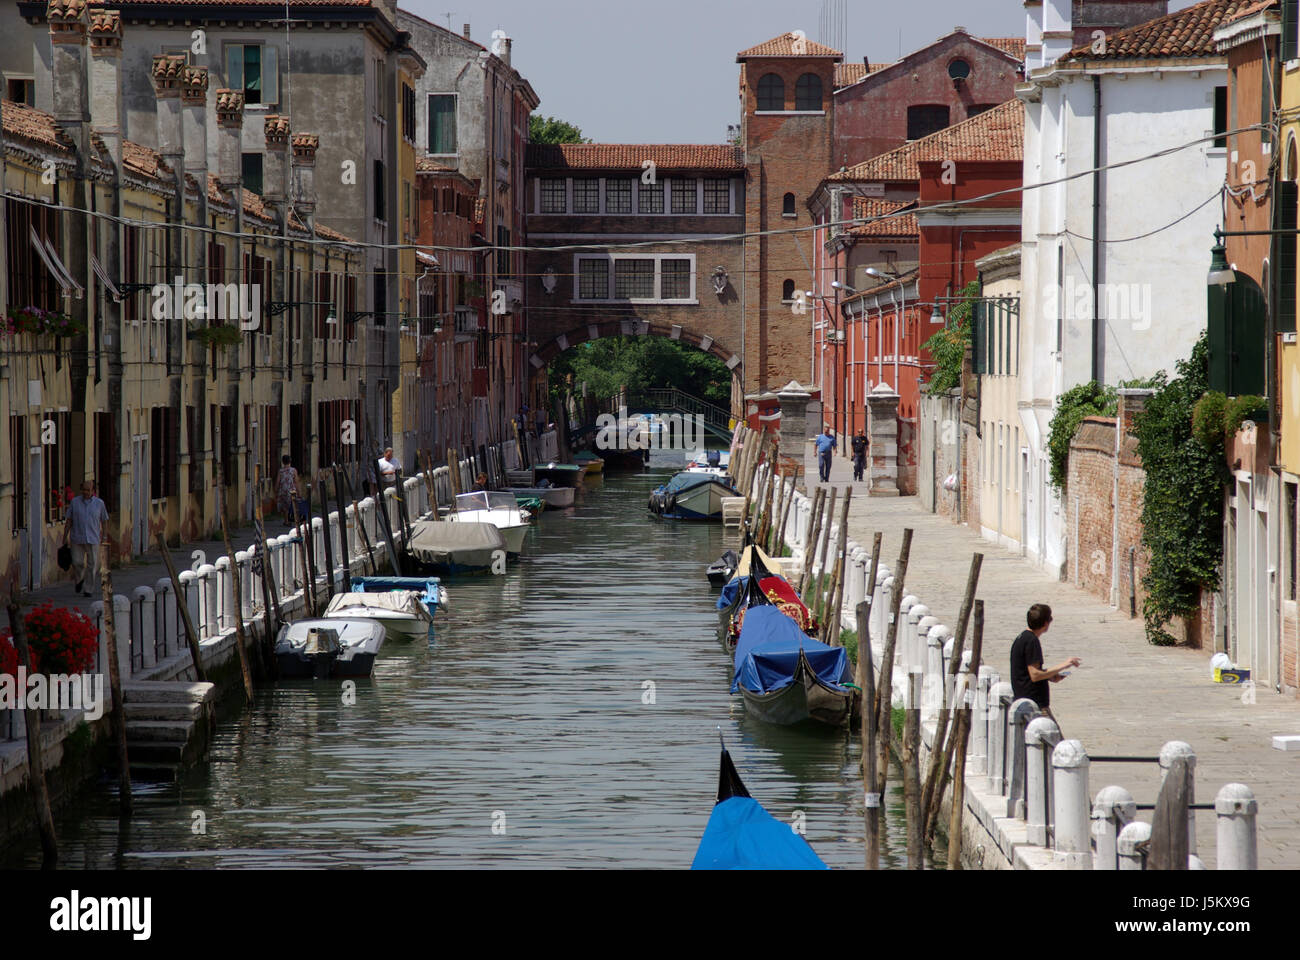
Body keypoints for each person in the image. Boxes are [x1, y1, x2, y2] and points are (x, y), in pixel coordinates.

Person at [1010, 603, 1081, 730]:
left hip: (1023, 700)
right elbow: (1035, 675)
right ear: (1045, 623)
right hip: (1034, 705)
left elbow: (1027, 672)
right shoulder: (1032, 641)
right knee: (1053, 738)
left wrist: (1050, 676)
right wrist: (1064, 665)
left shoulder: (1021, 638)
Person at [63, 480, 109, 597]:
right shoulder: (75, 502)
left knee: (92, 565)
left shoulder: (99, 503)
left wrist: (104, 536)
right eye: (84, 489)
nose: (86, 492)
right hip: (77, 537)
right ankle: (80, 579)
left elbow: (104, 520)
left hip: (93, 538)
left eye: (88, 490)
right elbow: (69, 520)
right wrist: (65, 536)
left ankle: (88, 589)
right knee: (77, 562)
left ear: (93, 491)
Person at [276, 455, 301, 525]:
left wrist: (276, 489)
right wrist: (299, 492)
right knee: (292, 505)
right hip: (292, 490)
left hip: (283, 490)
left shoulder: (280, 471)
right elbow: (296, 482)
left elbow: (278, 481)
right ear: (290, 461)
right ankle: (292, 519)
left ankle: (286, 520)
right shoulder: (293, 470)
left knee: (285, 506)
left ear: (283, 462)